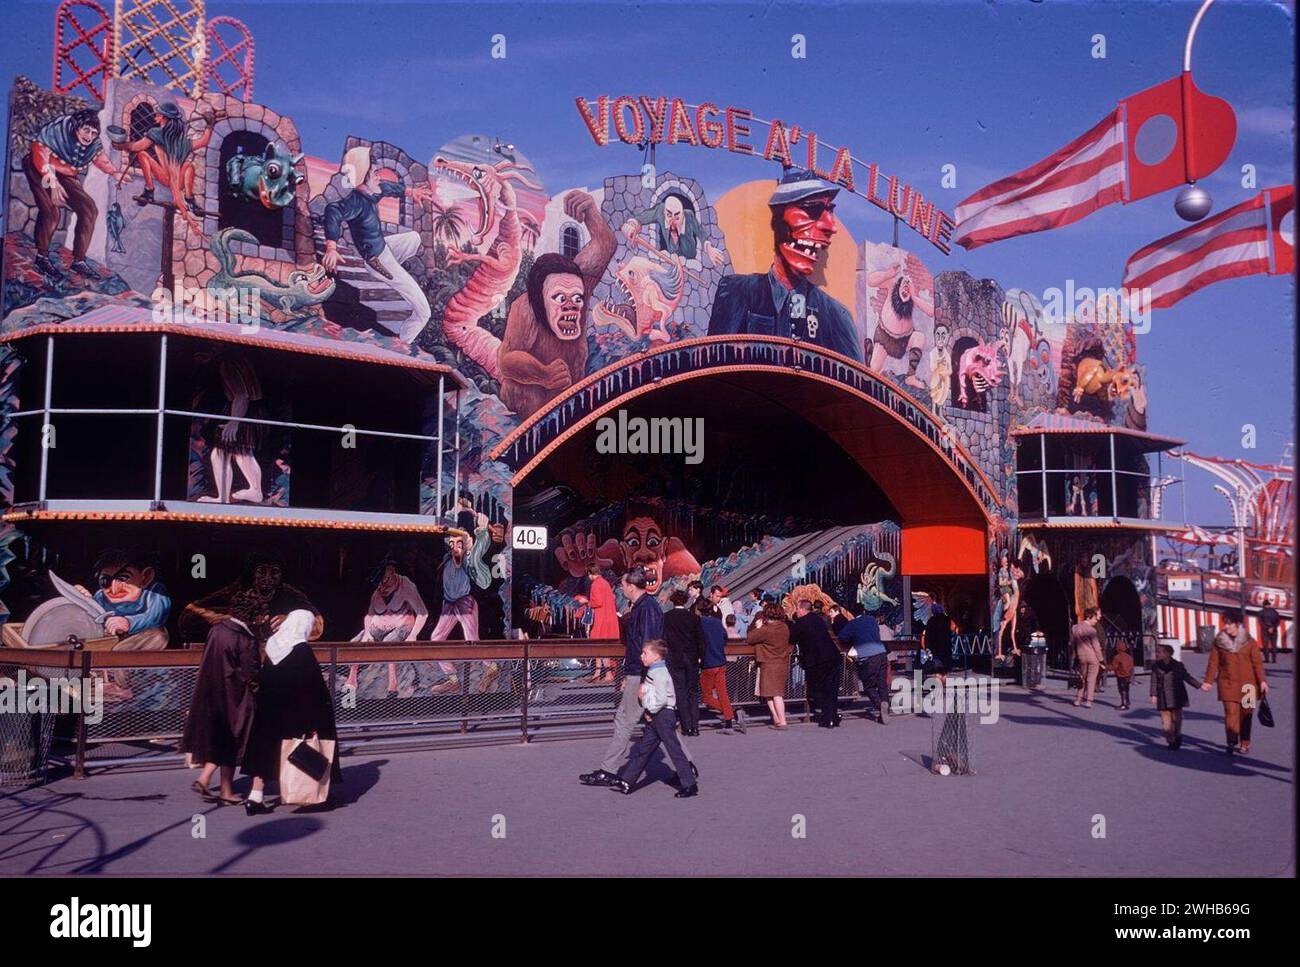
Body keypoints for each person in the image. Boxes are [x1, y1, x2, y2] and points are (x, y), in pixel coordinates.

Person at [580, 567, 694, 786]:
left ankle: (609, 769)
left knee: (624, 720)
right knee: (661, 723)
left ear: (631, 586)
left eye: (623, 585)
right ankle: (687, 765)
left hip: (642, 673)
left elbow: (648, 646)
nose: (621, 588)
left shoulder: (646, 609)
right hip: (641, 671)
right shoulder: (646, 607)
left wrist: (642, 678)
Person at [322, 145, 434, 342]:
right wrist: (331, 247)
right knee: (424, 312)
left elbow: (389, 188)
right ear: (364, 179)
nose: (379, 177)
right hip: (377, 260)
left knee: (414, 238)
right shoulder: (356, 202)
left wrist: (411, 191)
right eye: (375, 174)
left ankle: (396, 271)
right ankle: (404, 342)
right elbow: (333, 211)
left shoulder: (373, 192)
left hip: (384, 246)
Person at [242, 610, 341, 815]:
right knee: (308, 751)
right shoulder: (302, 650)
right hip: (297, 715)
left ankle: (255, 797)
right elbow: (313, 689)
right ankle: (312, 795)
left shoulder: (274, 646)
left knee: (265, 751)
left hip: (269, 713)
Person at [180, 592, 265, 805]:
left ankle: (208, 780)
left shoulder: (217, 630)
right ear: (252, 615)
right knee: (234, 741)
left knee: (222, 739)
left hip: (212, 692)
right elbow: (252, 673)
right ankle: (224, 789)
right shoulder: (245, 638)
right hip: (236, 697)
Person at [24, 108, 121, 277]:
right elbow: (40, 154)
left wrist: (114, 172)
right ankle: (42, 257)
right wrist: (52, 183)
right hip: (40, 167)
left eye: (93, 132)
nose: (89, 136)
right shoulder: (58, 130)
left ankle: (79, 261)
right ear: (76, 127)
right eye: (86, 130)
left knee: (89, 209)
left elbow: (100, 158)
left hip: (66, 173)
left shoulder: (93, 143)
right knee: (51, 211)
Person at [610, 640, 698, 798]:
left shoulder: (658, 673)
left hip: (663, 714)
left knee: (673, 749)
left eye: (645, 653)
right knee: (645, 748)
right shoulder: (656, 670)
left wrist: (647, 705)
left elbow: (662, 698)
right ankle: (627, 781)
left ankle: (689, 784)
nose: (641, 655)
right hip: (659, 714)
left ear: (656, 656)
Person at [348, 556, 428, 697]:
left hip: (402, 625)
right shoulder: (377, 593)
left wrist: (413, 635)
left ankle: (393, 686)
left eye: (385, 581)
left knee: (388, 643)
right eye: (379, 584)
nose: (382, 587)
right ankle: (351, 685)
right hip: (379, 627)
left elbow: (423, 613)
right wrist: (367, 633)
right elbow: (370, 616)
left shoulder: (406, 586)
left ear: (392, 573)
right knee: (355, 643)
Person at [1200, 610, 1268, 755]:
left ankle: (1244, 743)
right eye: (1226, 623)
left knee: (1247, 714)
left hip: (1249, 685)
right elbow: (1213, 663)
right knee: (1231, 713)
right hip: (1227, 683)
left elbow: (1257, 663)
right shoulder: (1219, 641)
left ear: (1237, 624)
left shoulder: (1249, 641)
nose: (1226, 626)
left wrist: (1262, 681)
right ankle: (1231, 742)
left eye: (1230, 623)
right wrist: (1208, 681)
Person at [790, 598, 843, 728]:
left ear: (802, 609)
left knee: (819, 689)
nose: (797, 611)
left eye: (797, 608)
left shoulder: (800, 623)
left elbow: (792, 639)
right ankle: (833, 716)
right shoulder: (818, 619)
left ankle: (828, 717)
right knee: (832, 689)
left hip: (817, 660)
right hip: (832, 655)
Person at [698, 602, 746, 733]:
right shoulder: (718, 623)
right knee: (722, 693)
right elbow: (724, 639)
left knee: (706, 697)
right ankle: (729, 721)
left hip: (708, 662)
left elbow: (698, 642)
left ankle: (732, 714)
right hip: (721, 661)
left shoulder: (700, 624)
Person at [663, 590, 705, 736]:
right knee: (693, 691)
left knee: (680, 691)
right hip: (692, 656)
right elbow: (700, 639)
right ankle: (695, 726)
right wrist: (701, 656)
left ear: (673, 601)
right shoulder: (694, 618)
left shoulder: (667, 617)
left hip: (675, 656)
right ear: (686, 601)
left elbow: (664, 638)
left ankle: (686, 726)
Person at [839, 604, 889, 724]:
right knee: (882, 683)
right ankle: (886, 704)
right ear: (864, 611)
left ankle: (880, 705)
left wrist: (853, 639)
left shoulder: (852, 624)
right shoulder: (872, 620)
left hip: (868, 656)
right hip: (881, 653)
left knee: (869, 686)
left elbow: (842, 637)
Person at [1148, 643, 1202, 750]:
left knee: (1177, 720)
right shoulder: (1155, 666)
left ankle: (1178, 736)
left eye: (1159, 652)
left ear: (1168, 654)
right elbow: (1153, 682)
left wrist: (1199, 685)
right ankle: (1171, 741)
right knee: (1165, 723)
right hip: (1163, 697)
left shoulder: (1178, 665)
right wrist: (1153, 695)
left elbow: (1187, 677)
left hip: (1177, 696)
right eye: (1157, 652)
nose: (1157, 654)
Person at [749, 603, 792, 729]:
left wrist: (758, 627)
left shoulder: (766, 630)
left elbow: (750, 638)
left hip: (768, 663)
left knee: (773, 694)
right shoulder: (784, 627)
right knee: (773, 693)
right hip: (782, 662)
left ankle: (781, 721)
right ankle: (777, 720)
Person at [585, 564, 621, 684]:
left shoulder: (595, 584)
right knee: (603, 647)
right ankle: (598, 673)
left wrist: (588, 602)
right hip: (609, 618)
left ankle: (606, 673)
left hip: (601, 619)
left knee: (599, 646)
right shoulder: (605, 583)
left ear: (590, 573)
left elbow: (598, 602)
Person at [1070, 607, 1105, 708]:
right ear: (1090, 617)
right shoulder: (1092, 631)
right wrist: (1101, 660)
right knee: (1091, 679)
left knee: (1082, 678)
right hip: (1093, 657)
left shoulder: (1075, 628)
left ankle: (1078, 699)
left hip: (1081, 656)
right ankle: (1089, 701)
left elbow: (1073, 644)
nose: (1096, 621)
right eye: (1095, 619)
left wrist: (1075, 655)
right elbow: (1096, 647)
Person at [922, 601, 953, 686]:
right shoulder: (947, 620)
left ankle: (939, 685)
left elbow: (928, 635)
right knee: (945, 669)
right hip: (946, 647)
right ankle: (944, 684)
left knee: (937, 668)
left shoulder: (931, 621)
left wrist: (927, 646)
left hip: (935, 648)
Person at [1109, 638, 1135, 710]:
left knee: (1121, 689)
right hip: (1128, 675)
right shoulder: (1129, 657)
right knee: (1127, 689)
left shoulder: (1116, 657)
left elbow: (1114, 667)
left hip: (1120, 675)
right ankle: (1127, 700)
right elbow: (1132, 667)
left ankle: (1123, 704)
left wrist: (1107, 667)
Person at [1259, 596, 1280, 664]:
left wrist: (1268, 628)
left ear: (1263, 605)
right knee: (1274, 645)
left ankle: (1267, 659)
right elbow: (1278, 621)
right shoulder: (1275, 612)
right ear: (1269, 605)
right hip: (1274, 631)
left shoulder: (1261, 612)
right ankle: (1274, 660)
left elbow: (1261, 622)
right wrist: (1273, 628)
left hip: (1265, 631)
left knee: (1265, 645)